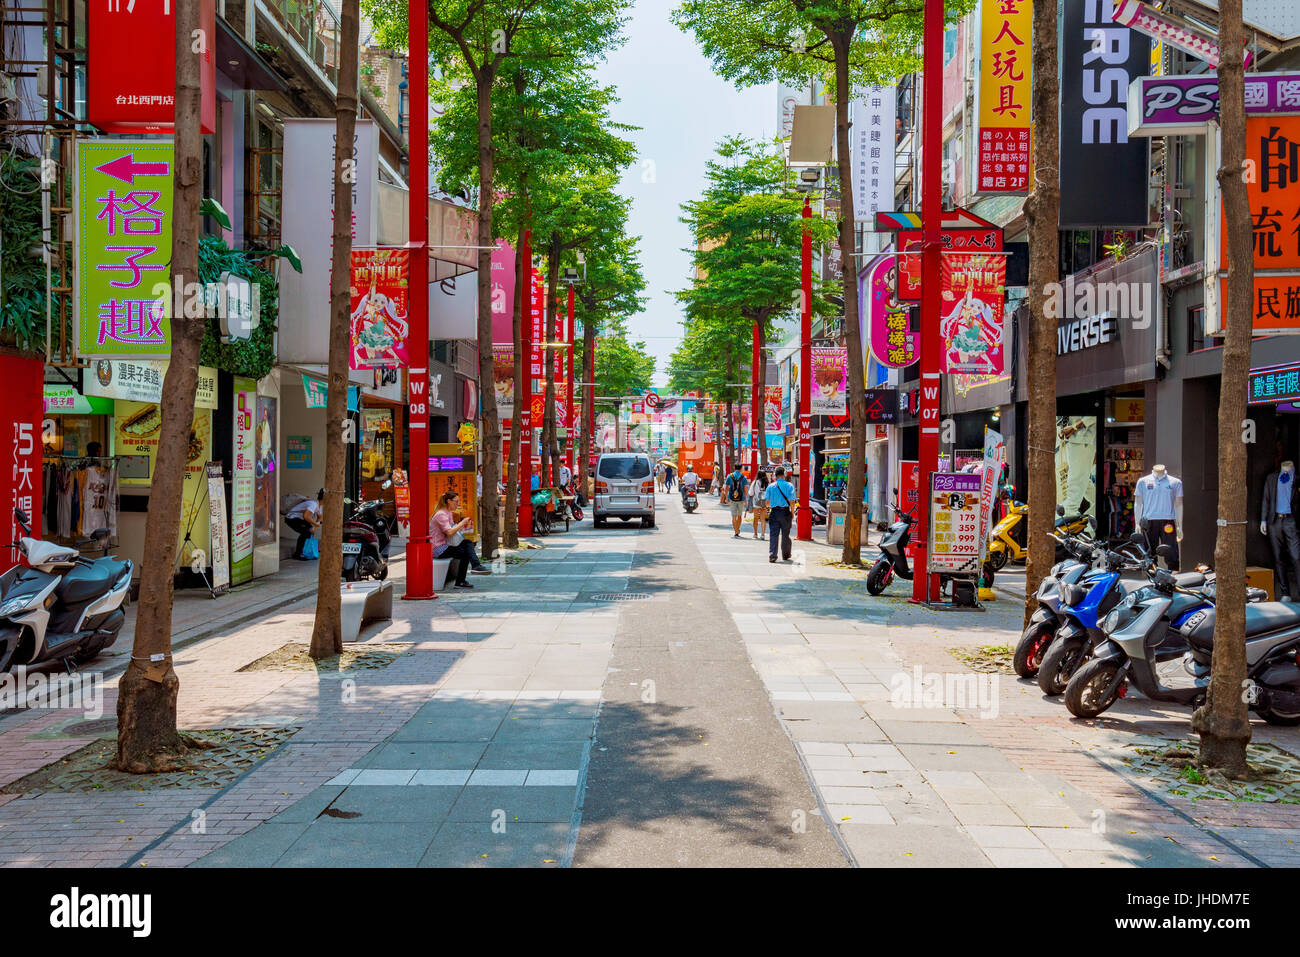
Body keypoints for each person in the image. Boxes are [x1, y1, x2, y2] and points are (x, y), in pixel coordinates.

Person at [430, 490, 490, 588]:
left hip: (445, 545)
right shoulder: (441, 514)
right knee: (465, 549)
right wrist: (461, 524)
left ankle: (473, 569)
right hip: (438, 549)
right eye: (456, 501)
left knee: (467, 544)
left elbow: (452, 530)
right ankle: (468, 574)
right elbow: (449, 532)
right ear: (449, 501)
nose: (457, 504)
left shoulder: (448, 513)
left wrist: (462, 526)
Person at [765, 467, 796, 563]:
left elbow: (767, 502)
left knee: (773, 534)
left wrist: (771, 506)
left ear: (775, 475)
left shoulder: (770, 486)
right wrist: (792, 511)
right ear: (784, 474)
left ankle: (773, 555)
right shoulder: (789, 485)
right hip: (785, 512)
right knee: (785, 534)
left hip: (774, 512)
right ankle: (786, 554)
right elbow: (792, 501)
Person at [285, 489, 323, 560]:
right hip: (291, 518)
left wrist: (314, 527)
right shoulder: (313, 504)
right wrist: (315, 524)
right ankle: (297, 554)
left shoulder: (319, 506)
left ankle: (305, 552)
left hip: (300, 519)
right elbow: (306, 516)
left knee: (310, 531)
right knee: (306, 532)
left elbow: (320, 517)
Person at [724, 464, 749, 537]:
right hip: (741, 499)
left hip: (732, 498)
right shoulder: (743, 477)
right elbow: (745, 489)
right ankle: (738, 529)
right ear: (741, 468)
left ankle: (736, 531)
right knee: (739, 515)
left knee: (734, 516)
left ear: (734, 468)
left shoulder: (730, 476)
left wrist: (726, 498)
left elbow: (726, 488)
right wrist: (745, 499)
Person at [748, 470, 770, 539]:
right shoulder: (767, 483)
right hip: (764, 503)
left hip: (756, 503)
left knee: (756, 518)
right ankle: (763, 535)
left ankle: (755, 534)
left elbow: (750, 493)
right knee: (763, 519)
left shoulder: (755, 483)